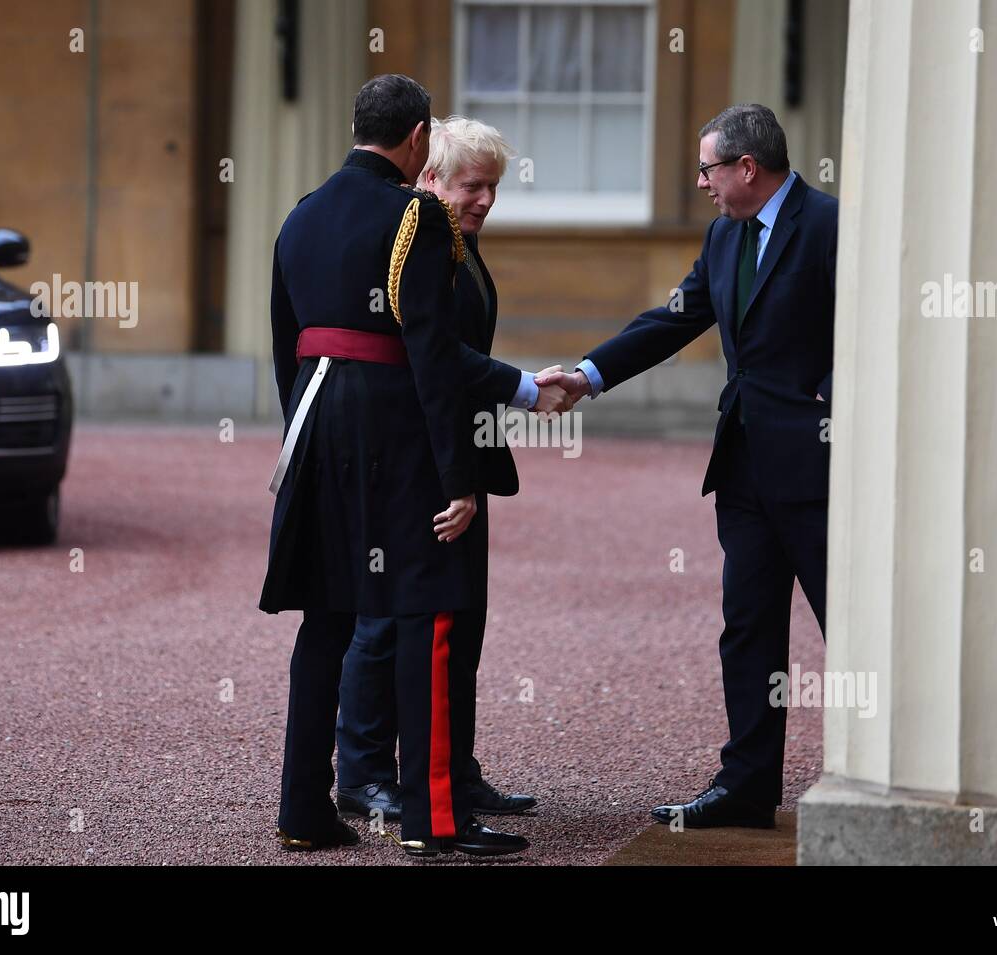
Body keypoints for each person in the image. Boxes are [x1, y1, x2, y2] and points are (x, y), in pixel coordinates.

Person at [258, 75, 564, 857]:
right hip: (396, 433)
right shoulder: (416, 217)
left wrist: (304, 433)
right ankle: (433, 820)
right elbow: (429, 351)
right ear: (419, 137)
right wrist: (455, 475)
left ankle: (303, 808)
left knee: (324, 621)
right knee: (429, 611)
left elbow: (286, 343)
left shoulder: (300, 215)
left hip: (317, 428)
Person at [538, 104, 837, 828]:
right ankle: (747, 784)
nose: (700, 182)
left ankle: (895, 769)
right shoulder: (723, 233)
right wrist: (588, 374)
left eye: (707, 168)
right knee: (748, 626)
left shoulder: (832, 226)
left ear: (746, 168)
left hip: (825, 469)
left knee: (852, 627)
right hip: (743, 467)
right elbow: (674, 318)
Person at [334, 116, 540, 824]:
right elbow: (438, 353)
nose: (484, 199)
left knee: (462, 619)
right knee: (386, 618)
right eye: (470, 185)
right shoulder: (422, 243)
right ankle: (362, 773)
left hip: (457, 451)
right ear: (429, 180)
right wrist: (527, 387)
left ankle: (454, 767)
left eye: (492, 187)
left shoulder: (461, 244)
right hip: (415, 458)